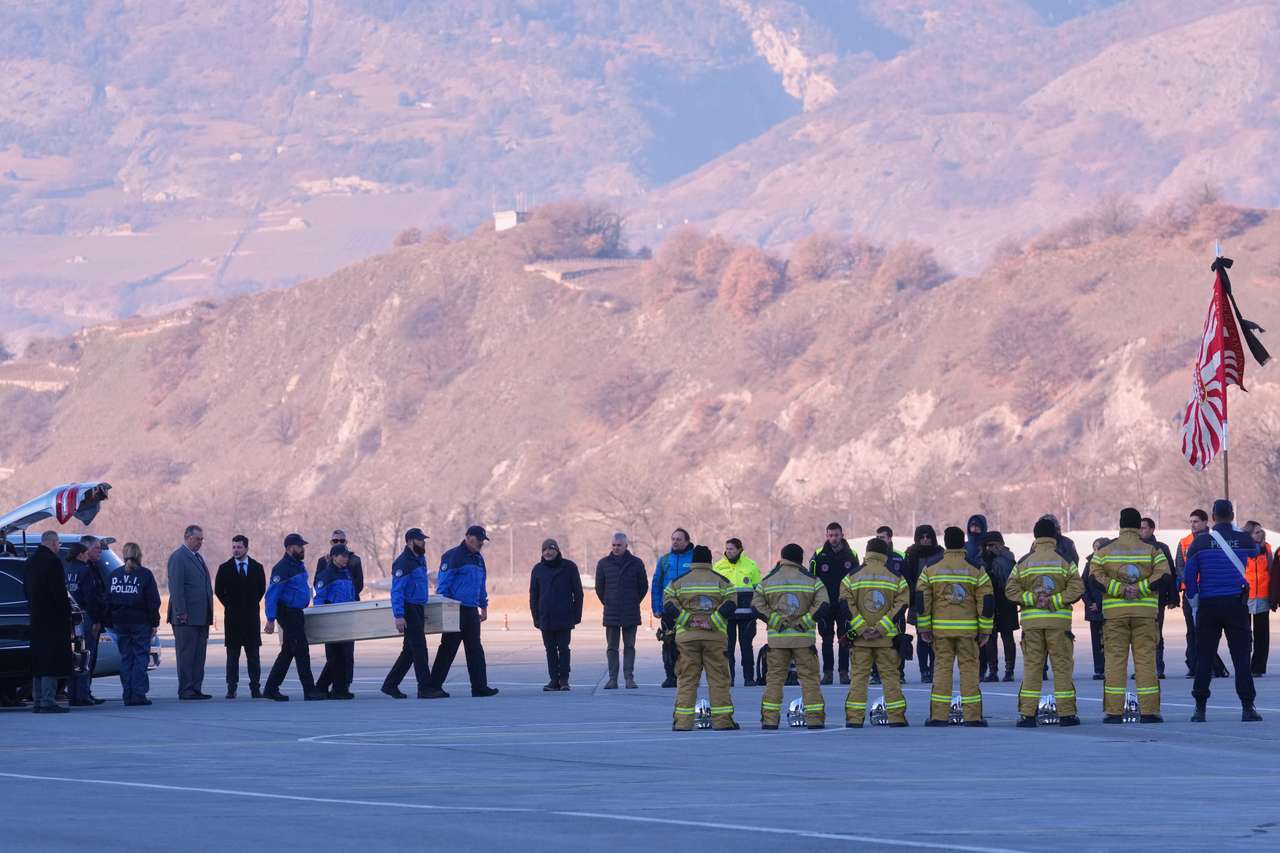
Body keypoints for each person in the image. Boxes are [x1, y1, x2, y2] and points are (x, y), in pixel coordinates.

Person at [1089, 507, 1170, 723]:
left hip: (1115, 615)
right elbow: (1164, 575)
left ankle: (1114, 712)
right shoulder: (1152, 550)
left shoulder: (1104, 551)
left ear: (1120, 524)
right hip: (1145, 614)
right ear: (1137, 525)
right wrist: (1141, 588)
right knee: (1145, 661)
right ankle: (1149, 712)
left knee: (1115, 662)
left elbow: (1094, 577)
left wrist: (1118, 589)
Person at [1185, 500, 1262, 722]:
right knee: (1240, 658)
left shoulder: (1199, 543)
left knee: (1205, 657)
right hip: (1236, 605)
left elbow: (1190, 576)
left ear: (1213, 517)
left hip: (1208, 605)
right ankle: (1248, 708)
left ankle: (1200, 709)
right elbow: (1256, 551)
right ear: (1232, 515)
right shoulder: (1244, 540)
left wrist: (1194, 598)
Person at [1006, 519, 1084, 727]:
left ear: (1035, 536)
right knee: (1062, 667)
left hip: (1031, 625)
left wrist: (1032, 599)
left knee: (1032, 668)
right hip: (1058, 623)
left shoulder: (1024, 562)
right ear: (1054, 536)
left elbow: (1011, 590)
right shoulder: (1065, 560)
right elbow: (1077, 588)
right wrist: (1055, 601)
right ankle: (1066, 715)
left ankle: (1027, 715)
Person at [918, 526, 993, 727]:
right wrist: (985, 630)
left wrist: (924, 628)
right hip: (968, 631)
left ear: (945, 542)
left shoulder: (931, 568)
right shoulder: (976, 568)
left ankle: (939, 717)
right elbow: (986, 601)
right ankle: (973, 717)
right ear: (963, 542)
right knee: (969, 671)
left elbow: (922, 600)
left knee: (941, 671)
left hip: (940, 631)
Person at [753, 543, 828, 729]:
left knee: (774, 680)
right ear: (800, 559)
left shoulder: (769, 579)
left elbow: (756, 605)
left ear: (783, 557)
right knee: (810, 680)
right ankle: (815, 719)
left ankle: (770, 720)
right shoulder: (812, 580)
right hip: (804, 640)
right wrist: (806, 622)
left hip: (778, 640)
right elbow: (823, 604)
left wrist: (775, 620)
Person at [663, 544, 738, 730]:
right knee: (719, 680)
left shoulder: (678, 582)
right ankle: (723, 722)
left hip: (687, 639)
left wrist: (687, 620)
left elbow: (668, 604)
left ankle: (682, 722)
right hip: (715, 638)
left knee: (687, 680)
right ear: (710, 561)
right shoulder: (723, 581)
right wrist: (711, 622)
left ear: (692, 561)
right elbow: (731, 602)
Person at [840, 538, 909, 727]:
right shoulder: (896, 577)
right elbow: (901, 605)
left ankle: (854, 719)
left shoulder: (852, 576)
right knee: (891, 678)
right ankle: (896, 718)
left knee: (859, 680)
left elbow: (846, 605)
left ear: (867, 553)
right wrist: (881, 629)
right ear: (885, 555)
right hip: (886, 640)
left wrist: (863, 629)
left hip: (861, 640)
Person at [429, 525, 499, 698]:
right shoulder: (453, 556)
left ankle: (479, 686)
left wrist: (483, 606)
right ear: (468, 537)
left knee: (475, 649)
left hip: (471, 610)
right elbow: (443, 586)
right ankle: (433, 686)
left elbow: (481, 584)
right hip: (455, 609)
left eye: (483, 540)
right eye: (478, 540)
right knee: (448, 649)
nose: (481, 543)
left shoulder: (478, 559)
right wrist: (444, 608)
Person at [262, 533, 325, 701]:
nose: (302, 549)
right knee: (301, 649)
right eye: (299, 546)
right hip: (287, 612)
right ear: (290, 548)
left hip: (296, 612)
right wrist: (270, 619)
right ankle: (309, 690)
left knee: (289, 651)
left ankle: (270, 688)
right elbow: (272, 595)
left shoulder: (298, 566)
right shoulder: (282, 568)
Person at [104, 543, 161, 707]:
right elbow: (153, 601)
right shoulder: (145, 575)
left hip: (120, 623)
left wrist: (109, 620)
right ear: (139, 555)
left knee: (126, 658)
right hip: (140, 622)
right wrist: (154, 622)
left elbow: (107, 600)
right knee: (140, 657)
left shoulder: (115, 575)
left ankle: (127, 694)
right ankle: (138, 694)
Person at [382, 528, 436, 699]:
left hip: (418, 608)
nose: (424, 542)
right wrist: (399, 615)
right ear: (411, 541)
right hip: (408, 608)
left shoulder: (419, 560)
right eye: (421, 540)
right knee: (419, 649)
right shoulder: (404, 562)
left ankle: (390, 685)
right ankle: (425, 688)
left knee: (409, 651)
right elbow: (397, 591)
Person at [23, 530, 73, 714]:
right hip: (53, 619)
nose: (58, 546)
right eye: (58, 543)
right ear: (52, 543)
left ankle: (37, 700)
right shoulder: (52, 562)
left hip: (36, 617)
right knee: (51, 661)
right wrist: (66, 613)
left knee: (38, 660)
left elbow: (26, 590)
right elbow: (59, 593)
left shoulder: (30, 562)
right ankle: (47, 700)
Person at [1177, 509, 1228, 679]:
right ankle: (1194, 665)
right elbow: (1180, 567)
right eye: (1191, 521)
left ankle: (1212, 665)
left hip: (1209, 591)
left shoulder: (1215, 540)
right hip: (1191, 594)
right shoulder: (1184, 542)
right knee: (1191, 631)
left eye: (1196, 521)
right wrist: (1190, 581)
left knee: (1207, 631)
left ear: (1206, 522)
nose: (1193, 525)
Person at [214, 535, 266, 699]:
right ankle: (231, 687)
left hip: (251, 618)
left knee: (253, 656)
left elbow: (260, 589)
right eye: (234, 547)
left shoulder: (257, 567)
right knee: (232, 656)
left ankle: (255, 688)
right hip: (233, 618)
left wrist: (249, 604)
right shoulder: (224, 568)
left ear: (246, 548)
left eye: (239, 547)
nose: (236, 550)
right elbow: (219, 590)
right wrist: (230, 604)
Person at [167, 524, 214, 700]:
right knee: (186, 654)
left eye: (202, 539)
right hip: (186, 617)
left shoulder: (197, 557)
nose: (200, 542)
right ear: (187, 537)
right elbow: (176, 587)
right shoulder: (179, 557)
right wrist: (181, 612)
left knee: (198, 655)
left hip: (201, 616)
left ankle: (196, 688)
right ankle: (186, 689)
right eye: (197, 539)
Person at [595, 532, 647, 690]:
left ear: (626, 546)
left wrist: (632, 601)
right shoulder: (603, 563)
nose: (616, 548)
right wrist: (609, 601)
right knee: (612, 647)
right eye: (614, 545)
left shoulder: (636, 563)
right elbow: (599, 588)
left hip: (630, 611)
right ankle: (612, 679)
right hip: (611, 611)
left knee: (629, 646)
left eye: (619, 545)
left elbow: (643, 587)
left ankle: (629, 678)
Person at [810, 522, 860, 685]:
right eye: (830, 535)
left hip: (844, 605)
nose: (833, 538)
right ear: (826, 536)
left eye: (836, 535)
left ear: (842, 535)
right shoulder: (818, 555)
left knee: (845, 638)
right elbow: (811, 580)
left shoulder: (851, 554)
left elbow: (857, 579)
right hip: (825, 605)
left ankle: (844, 673)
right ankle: (828, 673)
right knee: (826, 640)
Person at [530, 539, 584, 691]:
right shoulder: (538, 569)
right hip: (545, 616)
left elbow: (578, 593)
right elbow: (533, 595)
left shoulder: (569, 567)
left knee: (563, 648)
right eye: (545, 550)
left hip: (564, 616)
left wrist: (576, 615)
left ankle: (564, 680)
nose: (548, 552)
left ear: (558, 550)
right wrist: (536, 617)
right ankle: (554, 679)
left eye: (551, 549)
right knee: (550, 649)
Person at [712, 537, 761, 686]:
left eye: (731, 549)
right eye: (727, 548)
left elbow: (758, 590)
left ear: (739, 549)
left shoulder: (751, 565)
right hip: (727, 615)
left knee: (747, 647)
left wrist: (756, 610)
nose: (728, 551)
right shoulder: (718, 567)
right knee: (728, 648)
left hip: (747, 615)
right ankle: (729, 678)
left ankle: (748, 678)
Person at [652, 528, 695, 687]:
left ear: (687, 541)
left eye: (678, 539)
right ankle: (670, 676)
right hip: (668, 610)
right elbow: (656, 584)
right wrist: (656, 607)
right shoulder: (664, 560)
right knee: (668, 642)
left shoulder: (695, 558)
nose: (675, 542)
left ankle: (688, 677)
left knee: (689, 645)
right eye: (673, 539)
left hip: (689, 610)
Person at [64, 542, 106, 706]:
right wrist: (96, 619)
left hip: (71, 617)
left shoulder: (67, 570)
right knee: (86, 656)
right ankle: (82, 694)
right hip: (85, 616)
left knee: (74, 657)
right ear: (80, 554)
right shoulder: (85, 571)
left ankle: (73, 693)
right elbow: (91, 597)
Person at [313, 544, 357, 699]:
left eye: (347, 556)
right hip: (331, 619)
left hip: (345, 619)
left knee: (344, 655)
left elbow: (351, 595)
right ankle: (326, 688)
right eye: (343, 556)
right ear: (334, 556)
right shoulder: (326, 575)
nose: (346, 558)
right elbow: (319, 598)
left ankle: (337, 688)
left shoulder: (347, 573)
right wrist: (321, 619)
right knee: (335, 656)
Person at [901, 525, 943, 683]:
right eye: (922, 537)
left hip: (937, 600)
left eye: (928, 537)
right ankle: (924, 670)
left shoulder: (940, 553)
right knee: (922, 635)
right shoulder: (911, 553)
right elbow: (907, 576)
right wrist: (913, 595)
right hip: (918, 599)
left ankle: (933, 668)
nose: (925, 540)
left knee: (935, 637)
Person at [1139, 516, 1178, 679]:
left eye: (1145, 528)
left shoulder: (1161, 548)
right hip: (1138, 597)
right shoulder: (1135, 548)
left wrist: (1173, 598)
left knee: (1155, 633)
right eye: (1139, 528)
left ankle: (1158, 667)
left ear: (1152, 529)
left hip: (1157, 598)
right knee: (1139, 635)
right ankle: (1143, 668)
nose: (1142, 531)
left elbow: (1170, 573)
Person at [979, 531, 1018, 682]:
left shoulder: (1008, 558)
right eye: (987, 545)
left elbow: (1011, 578)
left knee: (1007, 637)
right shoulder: (982, 559)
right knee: (989, 637)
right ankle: (992, 670)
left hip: (1006, 600)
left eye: (993, 545)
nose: (990, 548)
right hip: (989, 600)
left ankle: (1009, 671)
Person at [1242, 523, 1276, 677]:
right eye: (1257, 531)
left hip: (1262, 595)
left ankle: (1258, 667)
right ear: (1249, 534)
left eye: (1261, 530)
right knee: (1244, 634)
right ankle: (1243, 664)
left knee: (1262, 634)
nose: (1260, 533)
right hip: (1246, 595)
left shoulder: (1267, 549)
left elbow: (1272, 571)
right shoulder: (1242, 549)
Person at [1081, 537, 1110, 679]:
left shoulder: (1111, 564)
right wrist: (1089, 603)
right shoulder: (1089, 564)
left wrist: (1101, 604)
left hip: (1109, 608)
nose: (1096, 551)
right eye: (1095, 548)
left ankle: (1110, 668)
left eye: (1099, 548)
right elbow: (1083, 586)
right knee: (1096, 642)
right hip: (1093, 610)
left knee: (1110, 641)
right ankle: (1099, 669)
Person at [314, 529, 365, 601]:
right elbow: (317, 584)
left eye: (342, 541)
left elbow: (359, 584)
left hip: (352, 602)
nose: (338, 543)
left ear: (346, 542)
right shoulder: (323, 561)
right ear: (331, 542)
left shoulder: (355, 559)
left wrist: (349, 597)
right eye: (335, 541)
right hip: (331, 604)